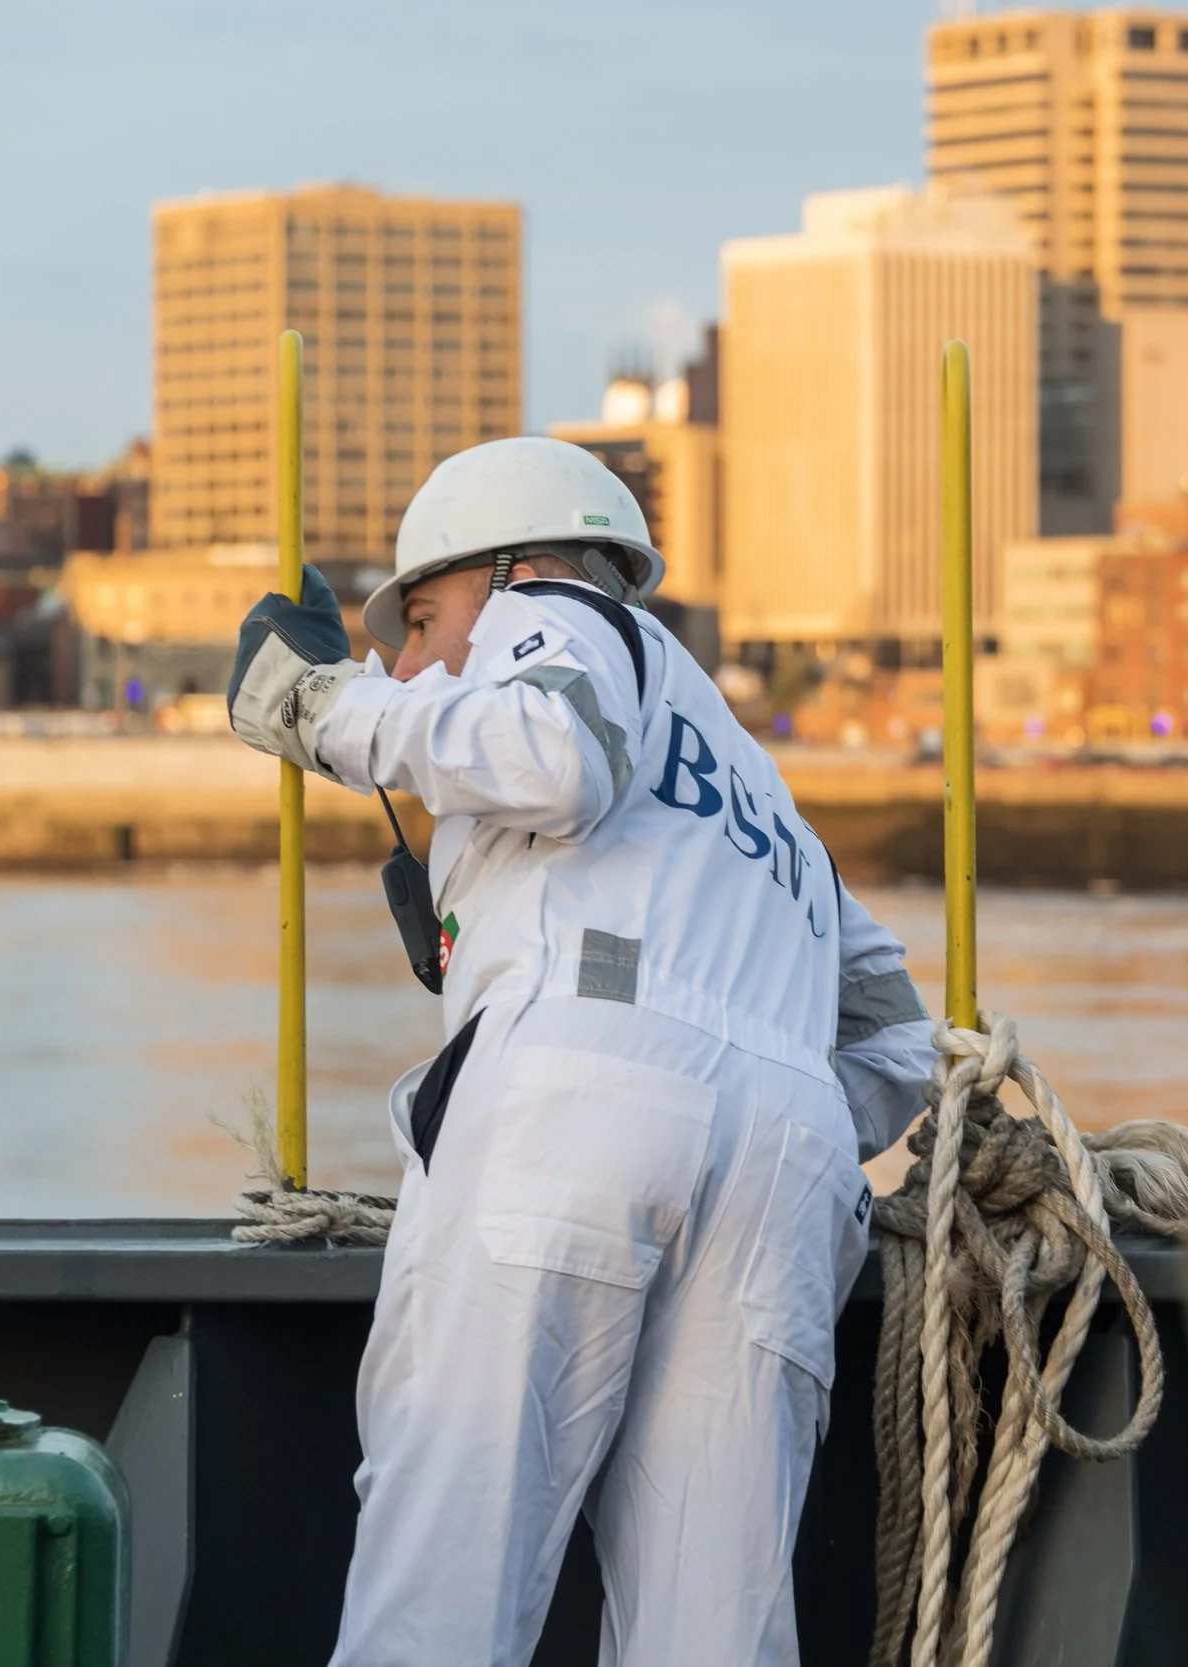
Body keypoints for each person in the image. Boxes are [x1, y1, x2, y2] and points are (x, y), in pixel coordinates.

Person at [226, 435, 934, 1664]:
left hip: (574, 1106)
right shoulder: (746, 769)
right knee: (710, 1628)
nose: (410, 655)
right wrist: (769, 1114)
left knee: (440, 1583)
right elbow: (891, 1031)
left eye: (425, 614)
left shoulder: (552, 609)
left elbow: (555, 758)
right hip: (790, 1169)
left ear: (516, 568)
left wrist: (322, 702)